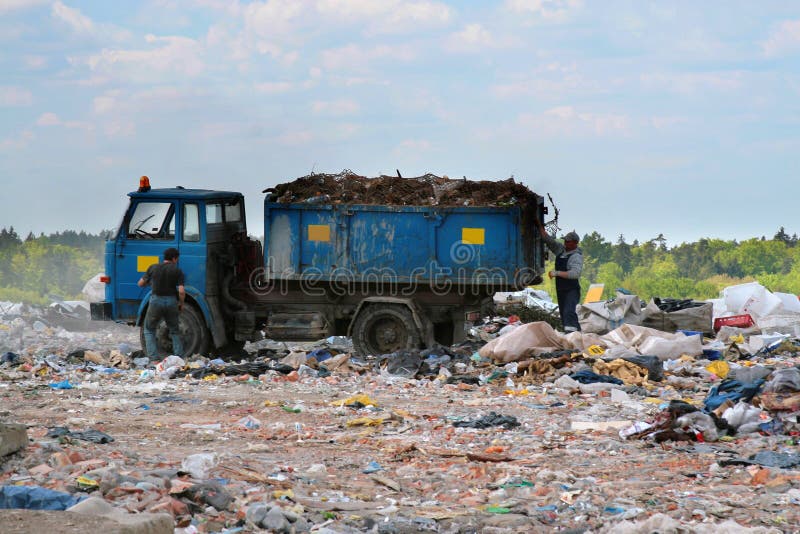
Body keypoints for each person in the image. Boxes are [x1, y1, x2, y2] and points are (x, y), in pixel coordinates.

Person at [138, 247, 185, 358]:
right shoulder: (177, 271)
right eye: (177, 259)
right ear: (174, 258)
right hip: (171, 301)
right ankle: (179, 357)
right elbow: (182, 291)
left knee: (149, 330)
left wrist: (149, 282)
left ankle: (154, 359)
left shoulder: (153, 268)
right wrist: (181, 304)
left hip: (156, 301)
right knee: (174, 330)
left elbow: (140, 283)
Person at [535, 221, 583, 332]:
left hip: (571, 290)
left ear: (575, 243)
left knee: (569, 312)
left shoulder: (576, 256)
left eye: (568, 241)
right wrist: (539, 226)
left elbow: (575, 274)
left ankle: (572, 337)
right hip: (561, 289)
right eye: (565, 240)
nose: (565, 242)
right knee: (564, 314)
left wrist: (556, 273)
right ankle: (576, 335)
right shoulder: (561, 250)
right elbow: (549, 241)